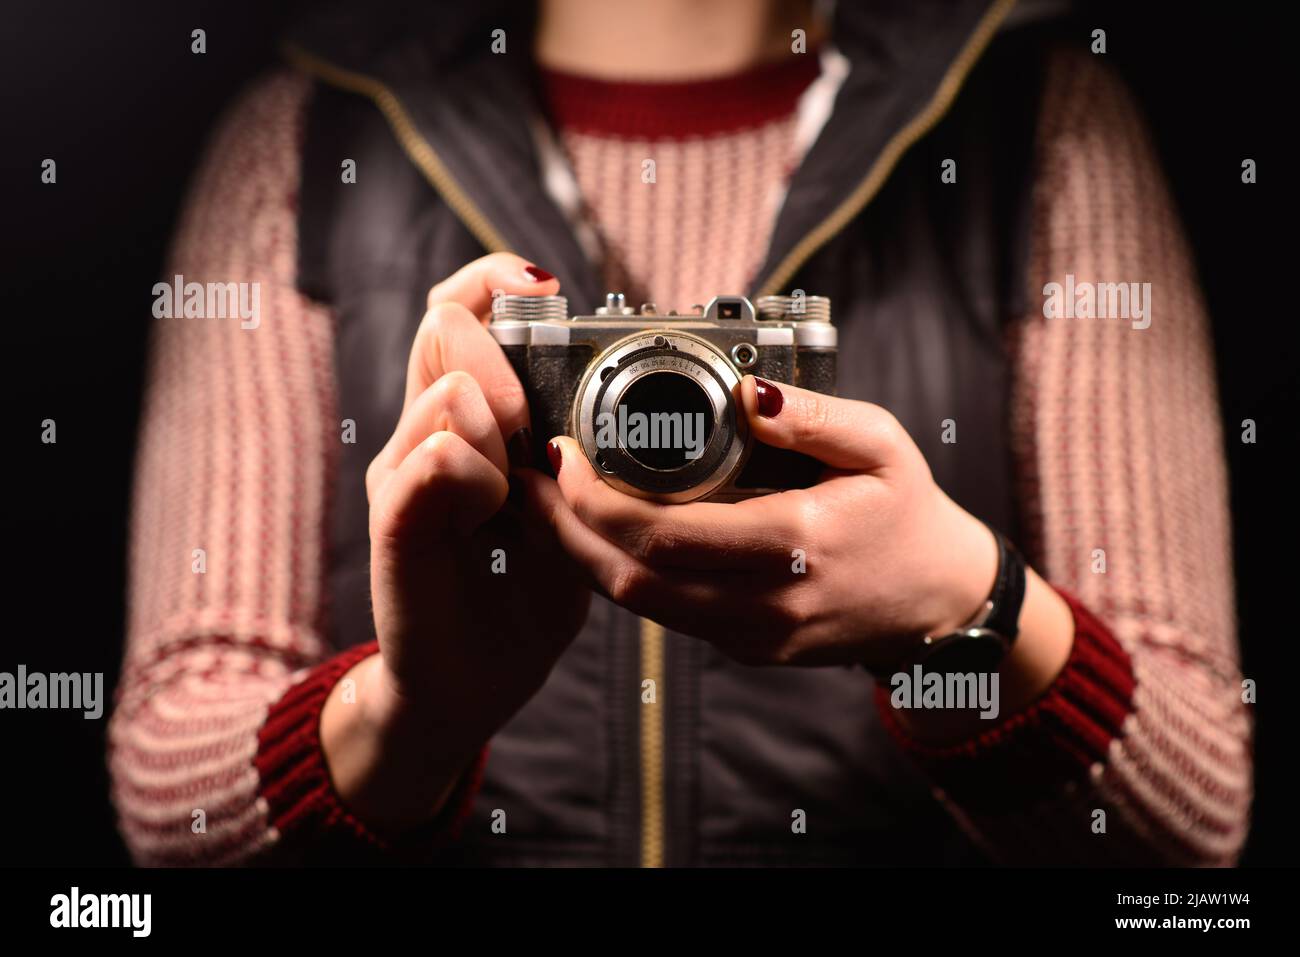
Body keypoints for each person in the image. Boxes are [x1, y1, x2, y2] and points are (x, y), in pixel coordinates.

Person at [110, 0, 1251, 866]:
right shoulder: (307, 141)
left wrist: (958, 614)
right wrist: (411, 717)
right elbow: (170, 779)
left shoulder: (1037, 122)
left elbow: (1194, 811)